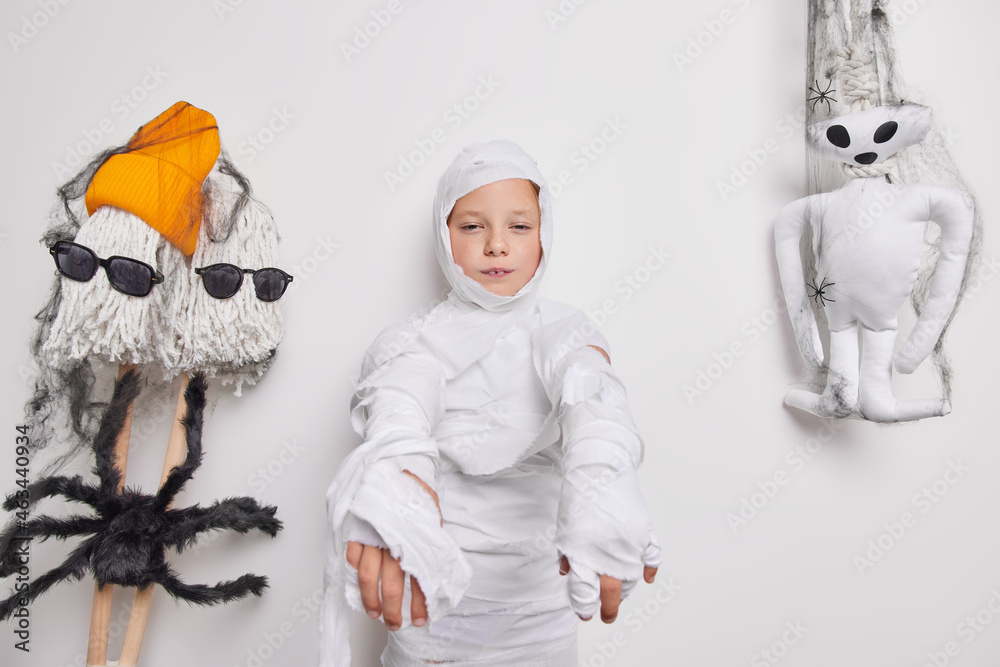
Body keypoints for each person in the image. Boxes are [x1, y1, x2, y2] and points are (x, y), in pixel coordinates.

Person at [321, 140, 660, 666]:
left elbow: (591, 388)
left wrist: (603, 470)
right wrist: (395, 469)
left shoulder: (566, 330)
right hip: (432, 614)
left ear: (544, 233)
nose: (497, 245)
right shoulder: (411, 341)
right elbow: (400, 395)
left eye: (519, 227)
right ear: (443, 233)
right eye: (473, 226)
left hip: (540, 612)